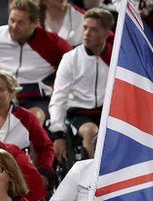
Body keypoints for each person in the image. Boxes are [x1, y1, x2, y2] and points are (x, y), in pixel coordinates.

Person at [0, 0, 73, 125]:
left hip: (37, 100)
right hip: (0, 97)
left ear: (35, 23)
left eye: (20, 23)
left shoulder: (54, 44)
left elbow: (73, 67)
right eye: (12, 20)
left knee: (33, 118)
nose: (14, 26)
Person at [48, 7, 112, 162]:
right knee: (91, 131)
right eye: (85, 28)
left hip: (109, 112)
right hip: (80, 113)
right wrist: (57, 133)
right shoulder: (71, 58)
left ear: (106, 32)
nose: (86, 34)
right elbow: (58, 97)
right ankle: (93, 179)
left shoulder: (116, 57)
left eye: (93, 30)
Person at [0, 70, 55, 182]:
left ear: (11, 93)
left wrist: (43, 173)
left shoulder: (27, 118)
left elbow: (46, 147)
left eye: (0, 89)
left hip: (18, 180)